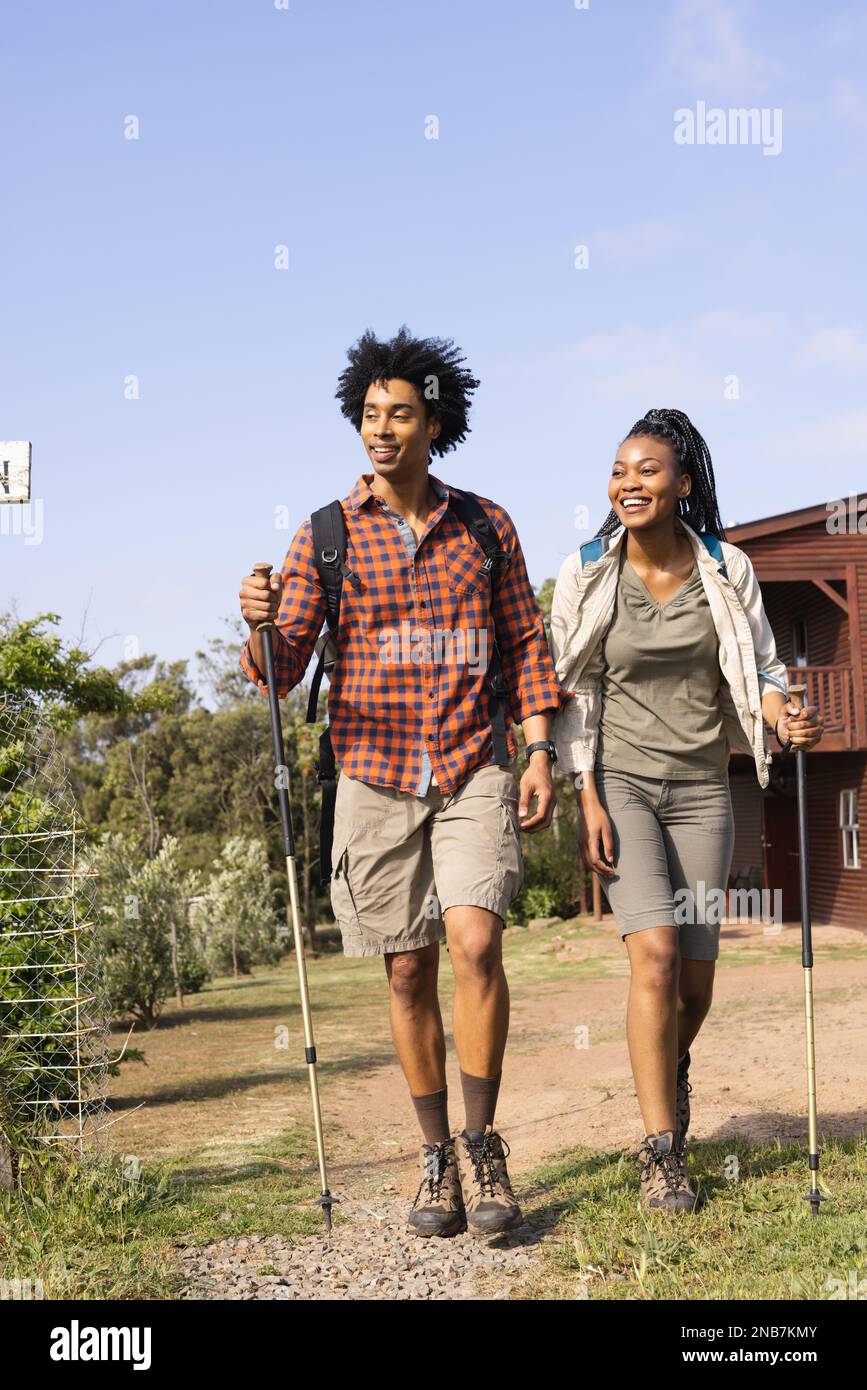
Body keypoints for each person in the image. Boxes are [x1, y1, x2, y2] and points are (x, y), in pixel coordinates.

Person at [239, 327, 561, 1237]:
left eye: (400, 415)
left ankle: (481, 1144)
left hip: (471, 765)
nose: (382, 430)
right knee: (408, 969)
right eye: (370, 416)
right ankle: (433, 1163)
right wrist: (259, 622)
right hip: (374, 775)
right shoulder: (327, 536)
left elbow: (525, 644)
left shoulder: (485, 526)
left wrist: (539, 751)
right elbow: (281, 666)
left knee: (474, 945)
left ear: (434, 424)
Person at [550, 408, 824, 1211]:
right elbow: (570, 690)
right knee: (656, 958)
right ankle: (660, 1148)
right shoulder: (587, 570)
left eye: (646, 471)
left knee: (696, 984)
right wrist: (587, 792)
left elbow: (764, 669)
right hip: (623, 783)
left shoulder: (726, 569)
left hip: (703, 789)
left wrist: (783, 716)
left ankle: (666, 1069)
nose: (628, 483)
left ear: (682, 484)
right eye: (618, 471)